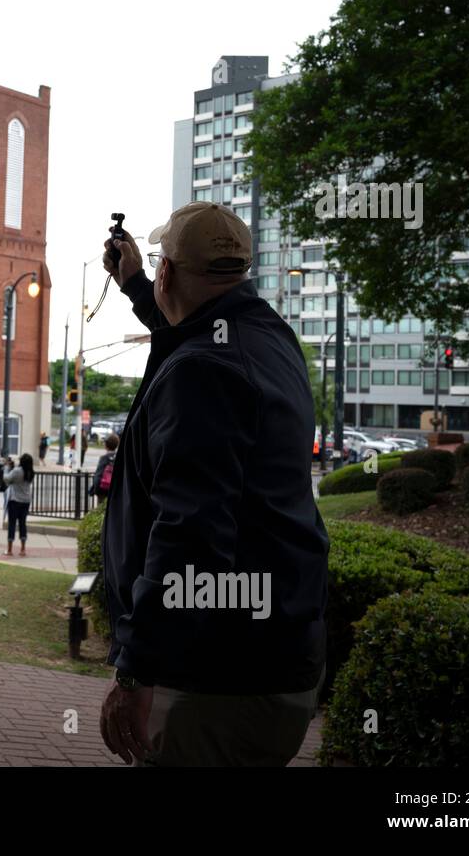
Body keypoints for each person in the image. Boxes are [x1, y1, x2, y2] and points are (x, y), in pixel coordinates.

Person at [96, 202, 328, 766]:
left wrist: (138, 671)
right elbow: (192, 327)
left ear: (170, 272)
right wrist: (134, 283)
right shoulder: (265, 335)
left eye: (159, 267)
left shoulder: (203, 370)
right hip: (272, 660)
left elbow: (189, 537)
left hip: (214, 680)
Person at [1, 453, 34, 557]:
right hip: (26, 501)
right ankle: (23, 549)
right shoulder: (31, 472)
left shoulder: (17, 471)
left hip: (15, 501)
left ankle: (10, 549)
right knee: (22, 524)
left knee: (12, 524)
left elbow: (7, 479)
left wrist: (7, 467)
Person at [90, 433, 119, 499]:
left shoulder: (104, 458)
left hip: (103, 491)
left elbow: (98, 475)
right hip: (115, 491)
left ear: (106, 445)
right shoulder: (119, 457)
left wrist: (95, 490)